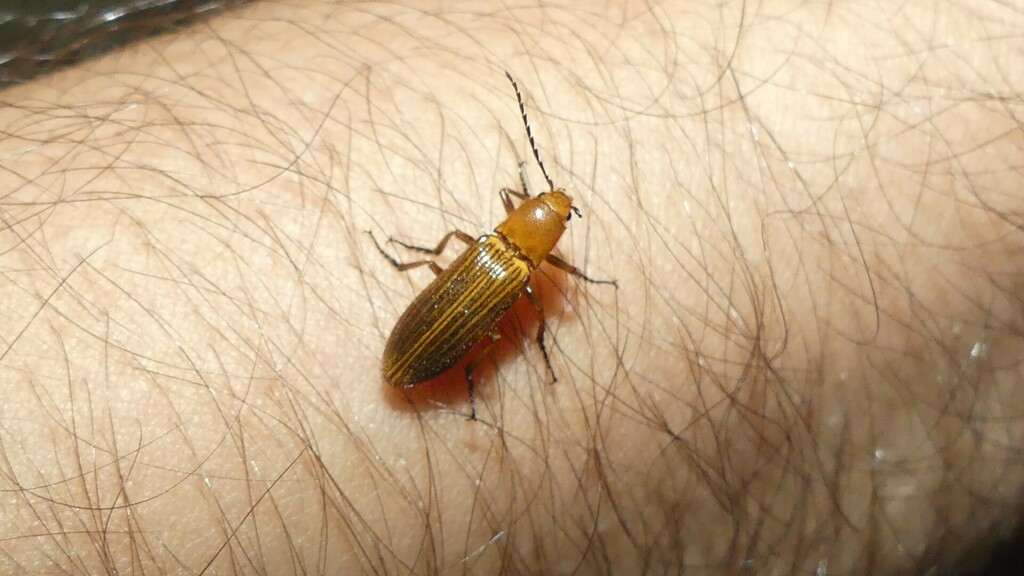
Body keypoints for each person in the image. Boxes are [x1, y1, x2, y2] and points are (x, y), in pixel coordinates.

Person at [0, 1, 1021, 574]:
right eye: (550, 214)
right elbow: (516, 303)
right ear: (533, 227)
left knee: (483, 316)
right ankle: (459, 352)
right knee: (496, 327)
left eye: (554, 218)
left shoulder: (500, 253)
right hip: (440, 329)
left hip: (445, 315)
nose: (552, 215)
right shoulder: (517, 270)